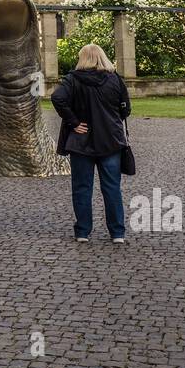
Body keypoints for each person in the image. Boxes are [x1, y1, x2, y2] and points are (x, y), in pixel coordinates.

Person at [51, 43, 132, 244]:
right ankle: (117, 233)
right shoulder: (115, 80)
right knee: (112, 187)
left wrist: (75, 122)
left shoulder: (72, 80)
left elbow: (57, 98)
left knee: (82, 187)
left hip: (81, 141)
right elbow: (126, 110)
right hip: (110, 140)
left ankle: (82, 231)